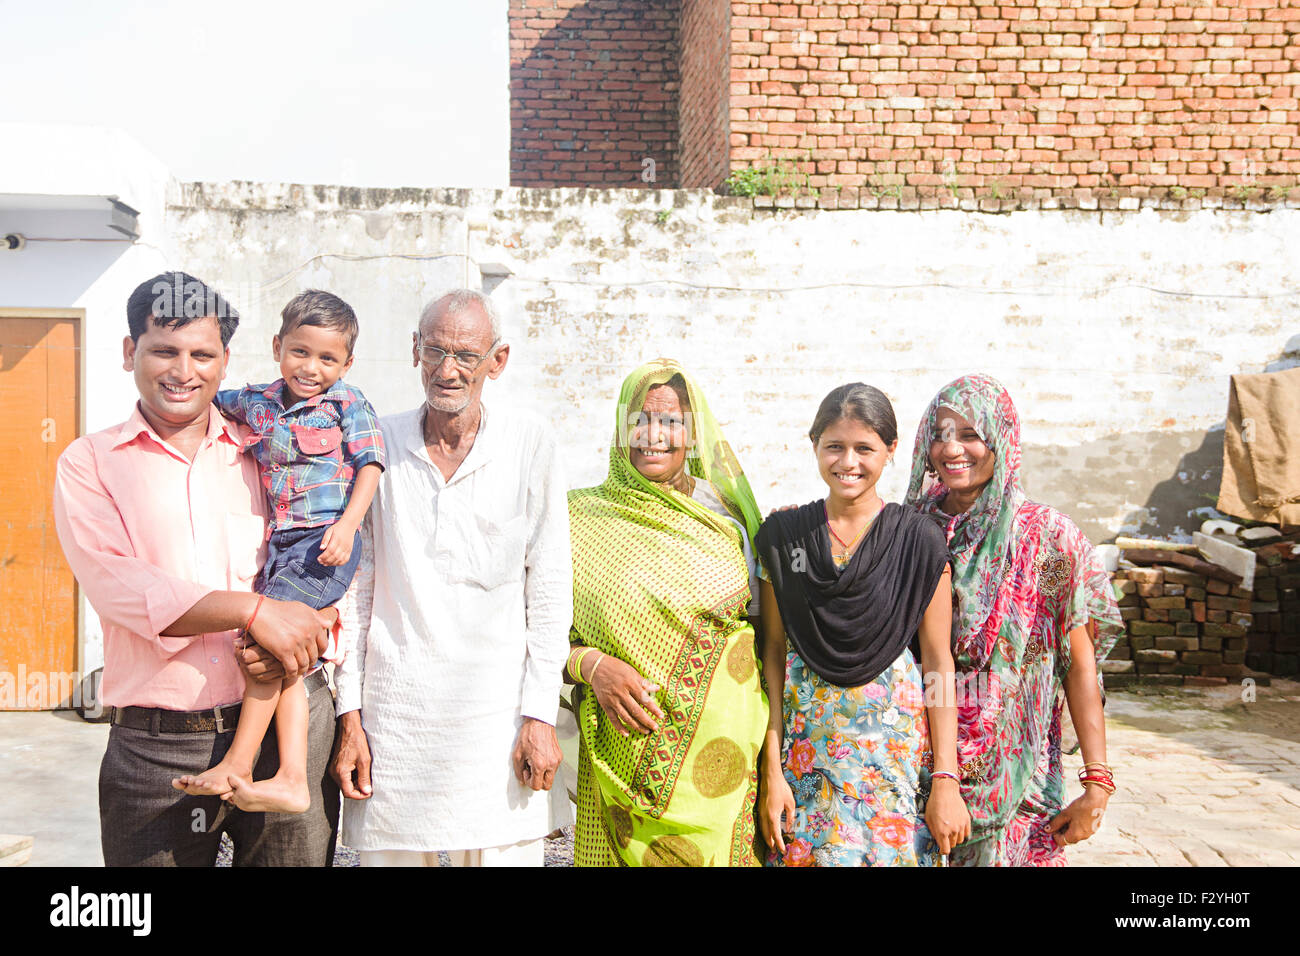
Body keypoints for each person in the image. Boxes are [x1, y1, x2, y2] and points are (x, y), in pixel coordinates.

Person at [52, 271, 340, 866]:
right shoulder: (91, 464)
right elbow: (122, 588)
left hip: (283, 730)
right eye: (164, 350)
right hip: (158, 749)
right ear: (130, 351)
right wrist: (256, 612)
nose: (184, 370)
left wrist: (310, 626)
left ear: (226, 360)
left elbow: (327, 549)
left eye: (202, 354)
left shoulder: (269, 447)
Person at [328, 289, 571, 867]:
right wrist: (350, 717)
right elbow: (356, 590)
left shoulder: (529, 442)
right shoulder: (377, 444)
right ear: (415, 350)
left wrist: (540, 716)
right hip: (396, 718)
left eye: (465, 354)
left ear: (498, 360)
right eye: (435, 350)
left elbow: (551, 586)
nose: (448, 369)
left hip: (498, 720)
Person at [171, 290, 385, 812]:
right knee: (286, 655)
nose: (311, 368)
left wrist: (347, 527)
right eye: (300, 352)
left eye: (327, 358)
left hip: (323, 546)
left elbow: (371, 465)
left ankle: (238, 763)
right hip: (281, 548)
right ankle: (290, 777)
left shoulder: (347, 404)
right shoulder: (256, 402)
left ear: (347, 364)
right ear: (277, 346)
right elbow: (206, 399)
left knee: (262, 645)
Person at [903, 373, 1124, 866]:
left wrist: (1098, 782)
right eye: (939, 433)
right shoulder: (911, 532)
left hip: (1018, 778)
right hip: (919, 767)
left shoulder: (1048, 540)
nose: (950, 448)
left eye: (969, 433)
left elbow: (1077, 663)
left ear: (1001, 438)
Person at [566, 359, 769, 866]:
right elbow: (532, 630)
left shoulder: (728, 521)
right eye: (640, 420)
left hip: (720, 766)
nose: (654, 435)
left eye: (672, 421)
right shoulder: (576, 518)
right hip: (620, 760)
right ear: (620, 426)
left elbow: (765, 637)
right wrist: (592, 667)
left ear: (693, 432)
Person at [755, 383, 968, 867]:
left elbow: (937, 661)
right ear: (814, 447)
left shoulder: (919, 540)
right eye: (834, 446)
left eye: (864, 448)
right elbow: (770, 655)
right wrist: (772, 769)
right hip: (805, 759)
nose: (848, 462)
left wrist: (945, 779)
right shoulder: (784, 539)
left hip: (893, 763)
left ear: (890, 451)